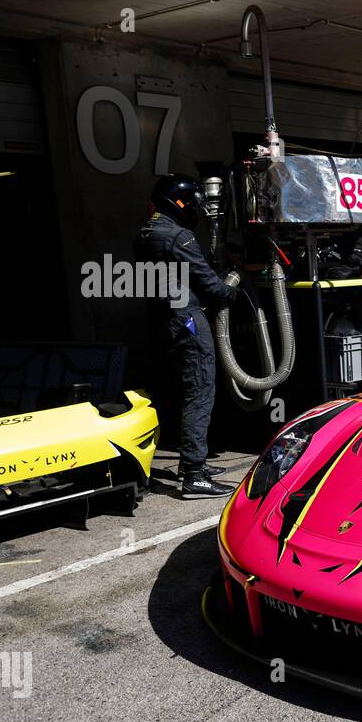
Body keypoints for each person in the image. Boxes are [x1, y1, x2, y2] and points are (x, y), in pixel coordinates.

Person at [133, 174, 237, 498]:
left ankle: (195, 462)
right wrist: (231, 288)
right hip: (188, 321)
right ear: (180, 202)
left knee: (185, 390)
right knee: (201, 391)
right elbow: (209, 283)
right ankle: (194, 474)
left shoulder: (147, 232)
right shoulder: (179, 236)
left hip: (164, 321)